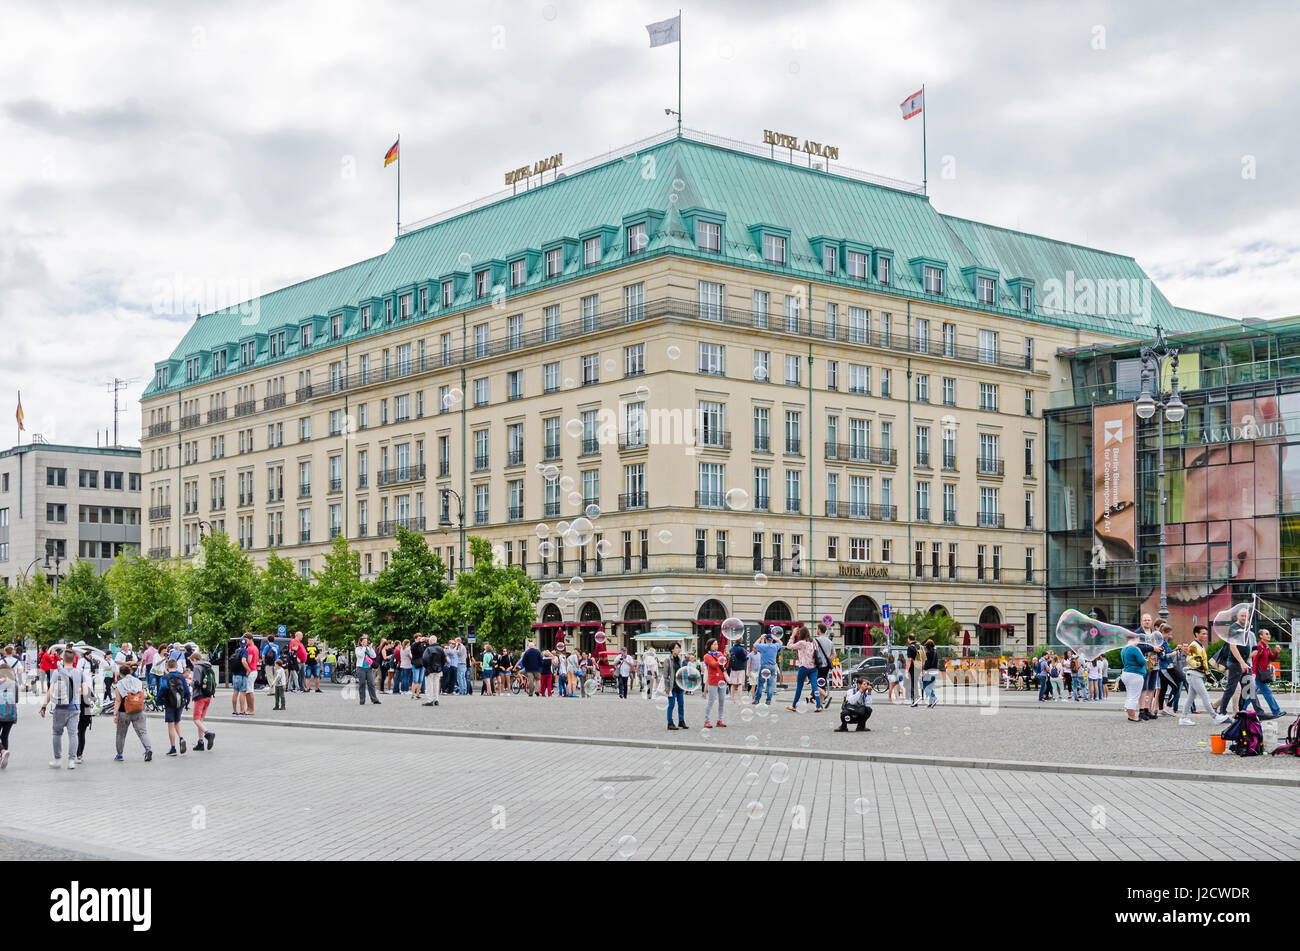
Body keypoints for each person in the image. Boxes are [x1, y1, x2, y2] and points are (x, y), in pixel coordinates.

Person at [41, 649, 87, 769]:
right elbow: (86, 692)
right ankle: (72, 760)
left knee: (57, 733)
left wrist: (44, 706)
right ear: (74, 660)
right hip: (75, 708)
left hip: (60, 708)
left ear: (63, 659)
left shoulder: (56, 672)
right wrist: (76, 692)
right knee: (73, 734)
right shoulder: (79, 673)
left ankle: (57, 760)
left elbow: (50, 691)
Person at [1215, 606, 1256, 723]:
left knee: (1248, 688)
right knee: (1231, 688)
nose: (1244, 618)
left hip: (1243, 664)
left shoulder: (1244, 628)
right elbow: (1233, 647)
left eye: (1246, 616)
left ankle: (1252, 711)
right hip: (1235, 663)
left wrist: (1247, 625)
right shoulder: (1234, 628)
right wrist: (1242, 663)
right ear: (1237, 616)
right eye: (1242, 616)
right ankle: (1222, 713)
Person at [111, 662, 153, 762]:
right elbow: (143, 695)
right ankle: (148, 749)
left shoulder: (120, 684)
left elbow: (118, 700)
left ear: (121, 674)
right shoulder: (138, 681)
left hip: (124, 712)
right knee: (142, 732)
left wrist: (115, 713)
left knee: (121, 734)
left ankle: (119, 755)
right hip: (138, 710)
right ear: (130, 671)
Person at [1180, 626, 1214, 725]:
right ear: (1196, 634)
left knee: (1190, 698)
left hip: (1196, 674)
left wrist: (1208, 675)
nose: (1205, 636)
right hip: (1194, 674)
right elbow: (1189, 660)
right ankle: (1215, 716)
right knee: (1205, 696)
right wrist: (1201, 666)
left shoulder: (1200, 646)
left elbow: (1204, 662)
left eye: (1206, 634)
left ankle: (1183, 718)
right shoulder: (1194, 645)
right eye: (1203, 633)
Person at [1251, 628, 1286, 720]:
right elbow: (1254, 660)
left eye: (1269, 634)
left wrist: (1277, 652)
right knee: (1267, 692)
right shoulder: (1259, 646)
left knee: (1250, 694)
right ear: (1261, 636)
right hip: (1258, 674)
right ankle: (1276, 711)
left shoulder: (1266, 647)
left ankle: (1240, 709)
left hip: (1262, 674)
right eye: (1266, 634)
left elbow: (1273, 658)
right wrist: (1254, 673)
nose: (1269, 635)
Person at [160, 658, 190, 755]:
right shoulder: (181, 677)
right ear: (177, 666)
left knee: (171, 725)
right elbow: (186, 690)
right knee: (177, 722)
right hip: (179, 702)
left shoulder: (166, 677)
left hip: (169, 703)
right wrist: (186, 700)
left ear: (167, 667)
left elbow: (163, 688)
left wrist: (160, 699)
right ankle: (181, 738)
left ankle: (173, 748)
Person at [189, 651, 216, 751]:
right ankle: (200, 742)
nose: (191, 663)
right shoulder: (208, 666)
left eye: (191, 661)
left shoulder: (197, 667)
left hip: (199, 696)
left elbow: (196, 682)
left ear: (195, 660)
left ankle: (208, 734)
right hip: (208, 695)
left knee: (196, 719)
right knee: (200, 719)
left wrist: (189, 682)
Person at [1119, 632, 1147, 723]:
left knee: (1130, 695)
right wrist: (1145, 659)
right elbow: (1142, 661)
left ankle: (1129, 714)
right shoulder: (1135, 649)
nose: (1139, 641)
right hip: (1135, 674)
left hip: (1126, 673)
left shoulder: (1124, 649)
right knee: (1134, 696)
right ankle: (1133, 716)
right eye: (1138, 639)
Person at [752, 629, 783, 706]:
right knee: (770, 684)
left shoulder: (763, 646)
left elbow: (754, 644)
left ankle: (757, 699)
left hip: (764, 667)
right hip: (772, 667)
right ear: (772, 640)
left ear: (765, 640)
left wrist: (760, 637)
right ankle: (768, 700)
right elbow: (781, 643)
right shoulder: (775, 646)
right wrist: (776, 637)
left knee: (760, 684)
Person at [702, 638, 728, 728]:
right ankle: (707, 721)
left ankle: (720, 720)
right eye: (714, 644)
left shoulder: (720, 654)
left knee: (722, 701)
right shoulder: (707, 656)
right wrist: (721, 659)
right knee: (711, 701)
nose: (716, 646)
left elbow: (725, 665)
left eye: (717, 644)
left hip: (722, 680)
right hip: (713, 681)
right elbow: (713, 665)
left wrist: (726, 658)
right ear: (709, 645)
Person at [663, 642, 688, 731]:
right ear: (672, 649)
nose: (679, 649)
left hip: (679, 686)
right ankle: (670, 723)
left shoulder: (679, 660)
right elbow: (665, 675)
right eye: (677, 648)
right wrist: (667, 688)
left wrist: (684, 686)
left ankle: (681, 721)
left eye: (679, 648)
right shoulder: (667, 660)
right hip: (672, 687)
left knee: (681, 704)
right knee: (671, 705)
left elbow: (681, 673)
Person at [0, 662, 18, 769]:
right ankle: (3, 757)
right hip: (11, 714)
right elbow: (16, 699)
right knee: (5, 736)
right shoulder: (14, 683)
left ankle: (2, 751)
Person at [814, 623, 836, 703]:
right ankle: (821, 702)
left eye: (817, 629)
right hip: (826, 666)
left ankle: (825, 696)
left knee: (815, 684)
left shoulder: (815, 641)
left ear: (819, 630)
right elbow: (834, 654)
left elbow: (812, 652)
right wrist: (828, 660)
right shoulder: (829, 641)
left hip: (817, 665)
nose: (817, 630)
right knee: (822, 683)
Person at [355, 635, 380, 705]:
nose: (366, 642)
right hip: (361, 668)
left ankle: (374, 699)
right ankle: (362, 700)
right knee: (362, 684)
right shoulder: (358, 649)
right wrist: (363, 647)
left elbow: (374, 656)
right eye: (364, 641)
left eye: (366, 641)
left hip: (368, 668)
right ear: (361, 642)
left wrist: (371, 648)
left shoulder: (368, 648)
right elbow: (361, 655)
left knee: (371, 683)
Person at [421, 637, 446, 707]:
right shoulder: (441, 649)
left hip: (430, 669)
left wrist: (426, 667)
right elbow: (443, 659)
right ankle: (436, 699)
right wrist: (440, 667)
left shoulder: (428, 649)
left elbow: (424, 659)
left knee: (429, 685)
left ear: (431, 641)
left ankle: (430, 700)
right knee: (436, 684)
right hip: (438, 669)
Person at [229, 638, 251, 716]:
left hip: (235, 674)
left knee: (235, 692)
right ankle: (242, 711)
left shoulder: (237, 650)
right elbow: (243, 661)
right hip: (242, 674)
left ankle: (235, 711)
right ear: (246, 645)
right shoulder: (245, 651)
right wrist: (248, 670)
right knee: (242, 692)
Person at [921, 638, 940, 708]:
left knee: (925, 687)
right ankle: (931, 703)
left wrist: (923, 670)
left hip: (929, 671)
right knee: (931, 687)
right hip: (935, 671)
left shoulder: (928, 653)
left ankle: (934, 698)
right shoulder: (935, 653)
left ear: (927, 646)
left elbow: (927, 664)